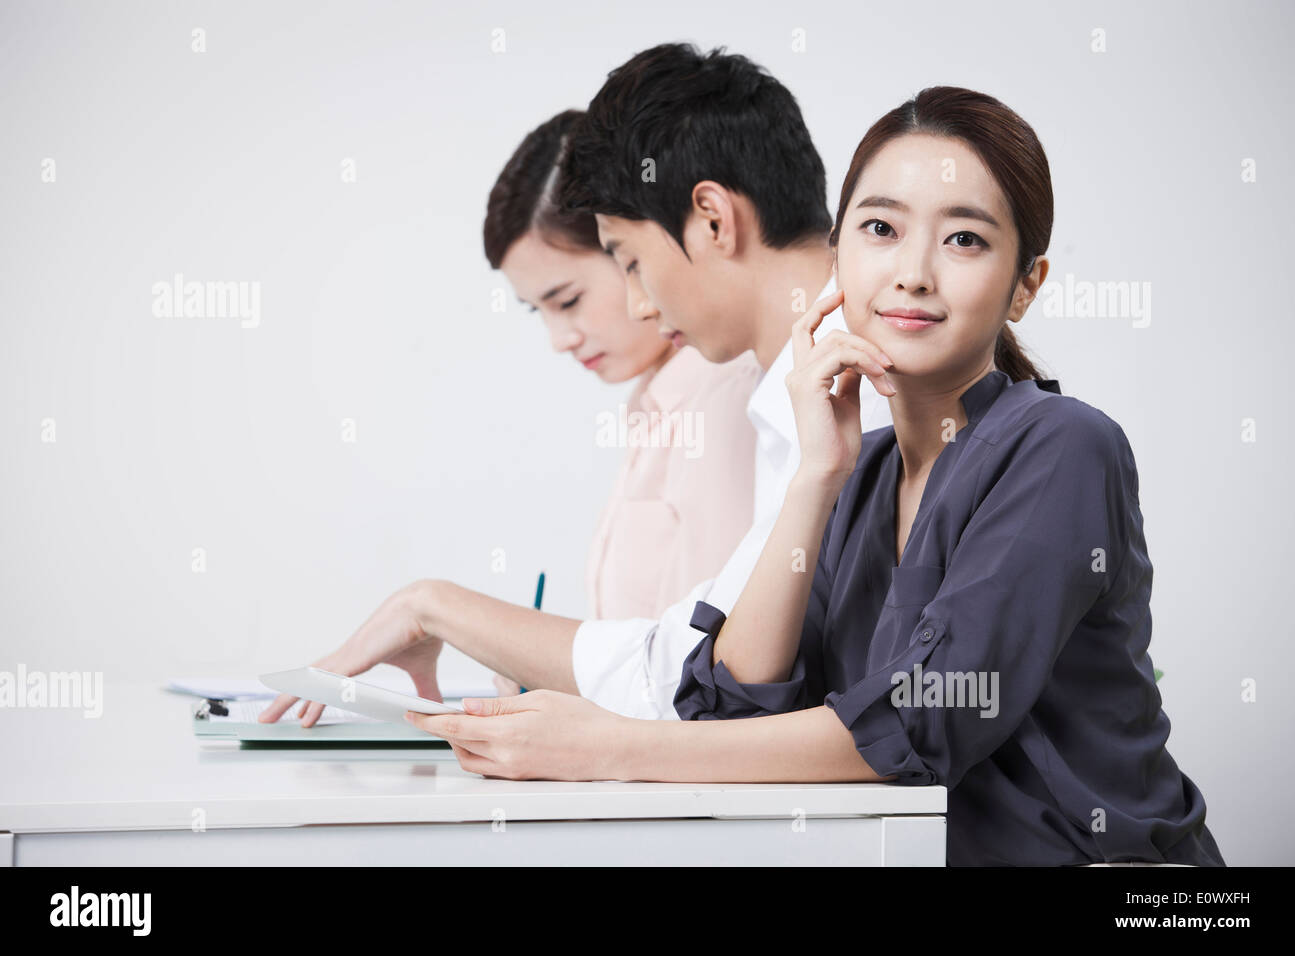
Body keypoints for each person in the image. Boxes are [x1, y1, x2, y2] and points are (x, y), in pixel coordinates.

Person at [411, 87, 1225, 868]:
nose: (912, 273)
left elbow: (924, 722)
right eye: (880, 229)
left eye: (965, 240)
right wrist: (815, 477)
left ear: (1025, 287)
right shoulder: (858, 471)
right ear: (838, 257)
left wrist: (606, 748)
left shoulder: (1061, 447)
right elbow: (734, 701)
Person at [259, 43, 892, 727]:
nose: (641, 305)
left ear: (713, 219)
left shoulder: (857, 386)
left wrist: (439, 609)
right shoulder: (798, 393)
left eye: (629, 262)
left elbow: (715, 685)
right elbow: (717, 670)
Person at [483, 110, 760, 696]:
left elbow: (715, 669)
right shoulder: (660, 401)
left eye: (569, 300)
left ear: (631, 246)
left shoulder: (723, 395)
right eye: (539, 311)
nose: (560, 339)